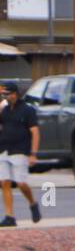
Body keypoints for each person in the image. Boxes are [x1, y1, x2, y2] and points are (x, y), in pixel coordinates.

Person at [0, 81, 41, 226]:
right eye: (3, 95)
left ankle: (32, 202)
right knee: (4, 181)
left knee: (21, 182)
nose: (5, 97)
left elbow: (35, 132)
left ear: (15, 94)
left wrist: (33, 153)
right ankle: (9, 216)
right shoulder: (4, 110)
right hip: (4, 149)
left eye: (7, 94)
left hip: (20, 150)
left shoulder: (27, 110)